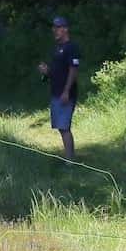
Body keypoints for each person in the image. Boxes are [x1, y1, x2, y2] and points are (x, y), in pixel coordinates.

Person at [37, 16, 79, 160]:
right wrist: (46, 71)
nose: (55, 30)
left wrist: (67, 91)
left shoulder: (71, 47)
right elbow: (56, 72)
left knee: (64, 127)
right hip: (56, 92)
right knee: (61, 128)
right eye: (54, 27)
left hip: (66, 93)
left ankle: (70, 160)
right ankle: (69, 156)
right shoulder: (57, 48)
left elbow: (73, 70)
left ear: (66, 29)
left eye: (58, 27)